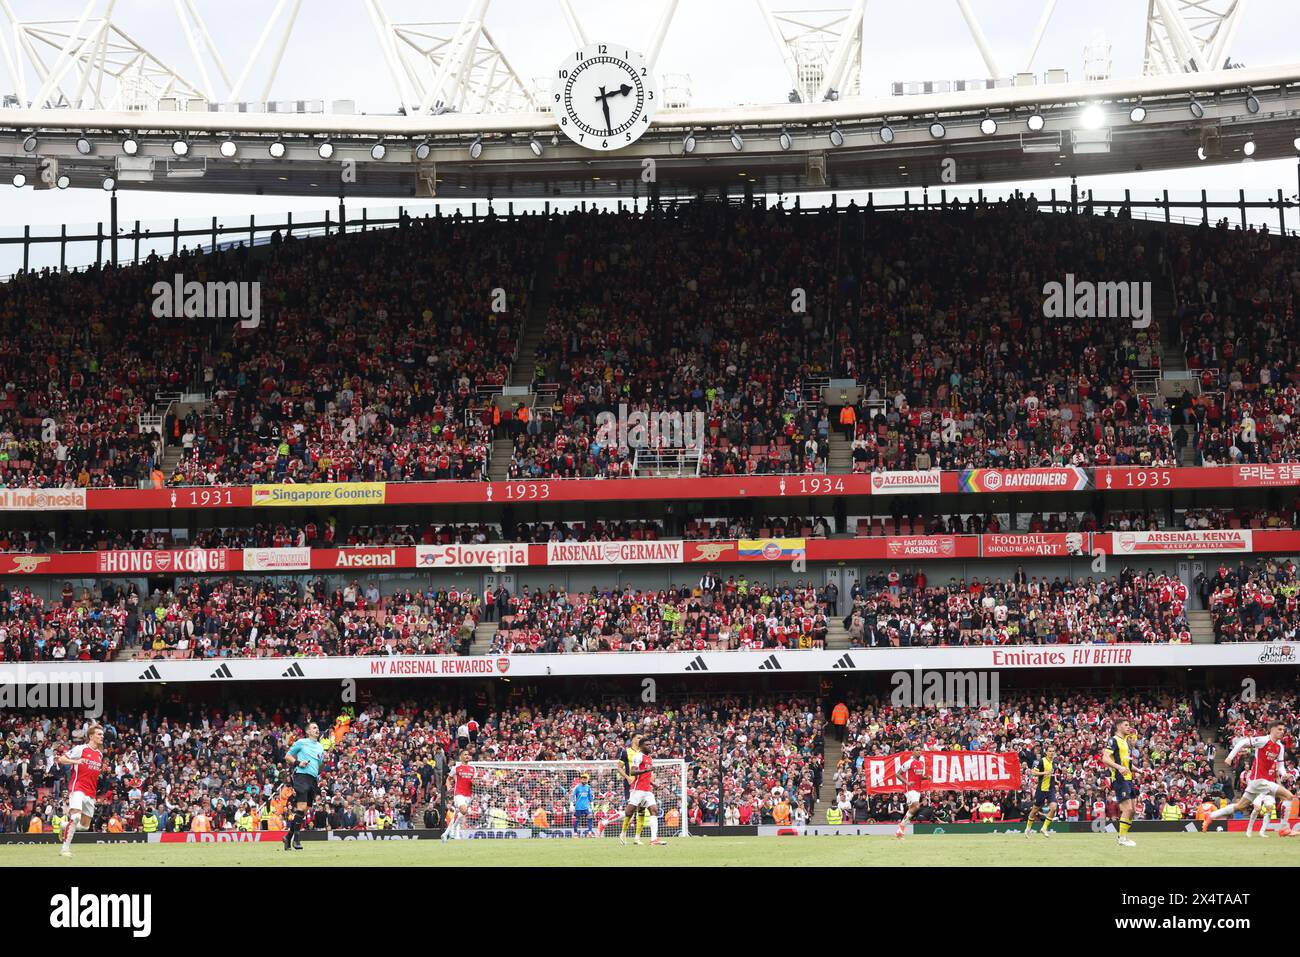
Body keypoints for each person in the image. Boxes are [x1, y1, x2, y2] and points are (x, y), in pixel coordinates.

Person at [1202, 721, 1295, 834]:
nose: (1282, 732)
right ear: (1272, 730)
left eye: (1283, 730)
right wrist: (1230, 757)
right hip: (1258, 780)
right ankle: (1284, 828)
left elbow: (1280, 766)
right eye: (1279, 729)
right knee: (1289, 796)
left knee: (1241, 806)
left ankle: (1210, 816)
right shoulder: (1263, 741)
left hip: (1261, 782)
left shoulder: (1280, 746)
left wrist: (1285, 774)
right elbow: (1242, 742)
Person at [56, 723, 105, 858]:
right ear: (91, 736)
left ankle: (64, 825)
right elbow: (61, 759)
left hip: (91, 792)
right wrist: (76, 762)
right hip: (78, 788)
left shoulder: (99, 755)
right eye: (99, 734)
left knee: (84, 826)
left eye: (102, 734)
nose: (102, 736)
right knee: (76, 816)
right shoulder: (80, 749)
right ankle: (64, 849)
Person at [283, 721, 326, 851]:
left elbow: (320, 766)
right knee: (301, 807)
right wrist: (298, 762)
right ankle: (297, 839)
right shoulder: (301, 742)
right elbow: (287, 756)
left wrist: (325, 761)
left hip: (312, 779)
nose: (317, 729)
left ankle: (288, 837)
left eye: (317, 727)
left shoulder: (320, 747)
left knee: (304, 810)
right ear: (308, 731)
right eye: (314, 727)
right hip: (301, 776)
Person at [619, 735, 665, 846]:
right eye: (647, 745)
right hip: (637, 789)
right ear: (641, 746)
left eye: (650, 744)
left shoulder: (650, 758)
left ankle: (654, 839)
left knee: (654, 810)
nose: (650, 746)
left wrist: (654, 784)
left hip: (647, 790)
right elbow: (633, 772)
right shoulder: (638, 756)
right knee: (629, 812)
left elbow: (646, 776)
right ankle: (607, 823)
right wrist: (646, 769)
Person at [1101, 718, 1138, 847]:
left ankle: (1123, 837)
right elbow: (1105, 758)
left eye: (1129, 725)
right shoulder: (1113, 740)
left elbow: (1126, 764)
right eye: (1126, 725)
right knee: (1127, 809)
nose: (1129, 727)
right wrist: (1119, 767)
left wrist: (1138, 770)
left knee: (1132, 810)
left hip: (1128, 779)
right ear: (1118, 727)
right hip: (1119, 779)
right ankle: (1122, 839)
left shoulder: (1125, 742)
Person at [1024, 743, 1058, 837]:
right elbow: (1033, 772)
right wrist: (1044, 773)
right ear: (1046, 752)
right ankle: (1028, 828)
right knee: (1035, 810)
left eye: (1053, 751)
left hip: (1051, 789)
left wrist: (1055, 780)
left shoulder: (1055, 763)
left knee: (1054, 808)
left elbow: (1052, 775)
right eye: (1049, 751)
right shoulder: (1041, 761)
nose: (1051, 753)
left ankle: (1044, 828)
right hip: (1041, 789)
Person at [442, 750, 476, 841]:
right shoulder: (456, 768)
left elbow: (474, 781)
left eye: (468, 754)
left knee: (459, 815)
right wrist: (448, 786)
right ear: (461, 757)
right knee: (464, 810)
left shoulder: (473, 768)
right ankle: (452, 830)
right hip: (459, 793)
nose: (467, 756)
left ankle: (446, 833)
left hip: (468, 795)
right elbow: (448, 779)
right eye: (465, 754)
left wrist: (475, 783)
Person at [894, 749, 928, 840]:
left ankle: (900, 832)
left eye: (920, 750)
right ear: (913, 752)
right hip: (910, 788)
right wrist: (906, 782)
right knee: (917, 806)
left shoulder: (921, 763)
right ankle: (901, 826)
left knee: (911, 811)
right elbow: (898, 774)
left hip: (918, 789)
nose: (919, 751)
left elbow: (920, 777)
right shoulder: (909, 762)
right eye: (916, 750)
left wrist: (926, 778)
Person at [570, 772, 594, 837]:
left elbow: (590, 796)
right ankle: (575, 833)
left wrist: (592, 805)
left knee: (590, 817)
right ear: (581, 779)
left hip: (586, 806)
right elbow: (572, 795)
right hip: (578, 807)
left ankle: (590, 832)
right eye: (583, 778)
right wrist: (571, 804)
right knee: (577, 820)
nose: (584, 780)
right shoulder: (577, 787)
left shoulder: (588, 787)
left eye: (586, 779)